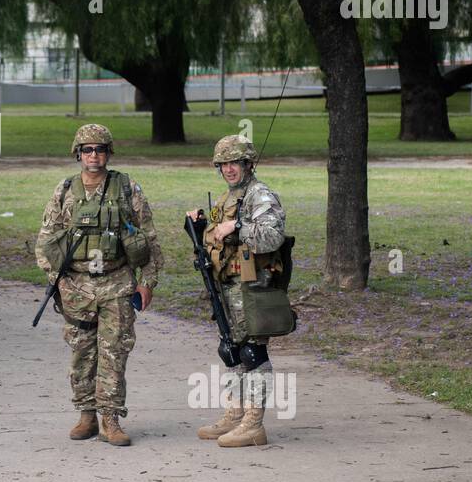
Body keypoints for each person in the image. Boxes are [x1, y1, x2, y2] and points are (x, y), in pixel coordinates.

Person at [35, 124, 162, 447]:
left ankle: (110, 418)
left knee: (114, 351)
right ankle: (86, 414)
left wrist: (146, 282)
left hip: (117, 282)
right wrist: (57, 281)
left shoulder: (127, 188)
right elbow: (46, 240)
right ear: (78, 153)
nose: (94, 155)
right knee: (81, 352)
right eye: (88, 149)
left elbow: (148, 237)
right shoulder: (65, 190)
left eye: (100, 149)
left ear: (109, 153)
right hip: (77, 284)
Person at [188, 135, 287, 448]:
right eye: (223, 164)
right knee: (230, 350)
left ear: (248, 163)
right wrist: (201, 225)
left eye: (235, 163)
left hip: (254, 286)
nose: (229, 169)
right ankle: (235, 414)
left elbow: (272, 237)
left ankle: (254, 424)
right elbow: (215, 238)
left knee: (252, 351)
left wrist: (238, 228)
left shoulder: (260, 195)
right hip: (228, 285)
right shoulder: (228, 198)